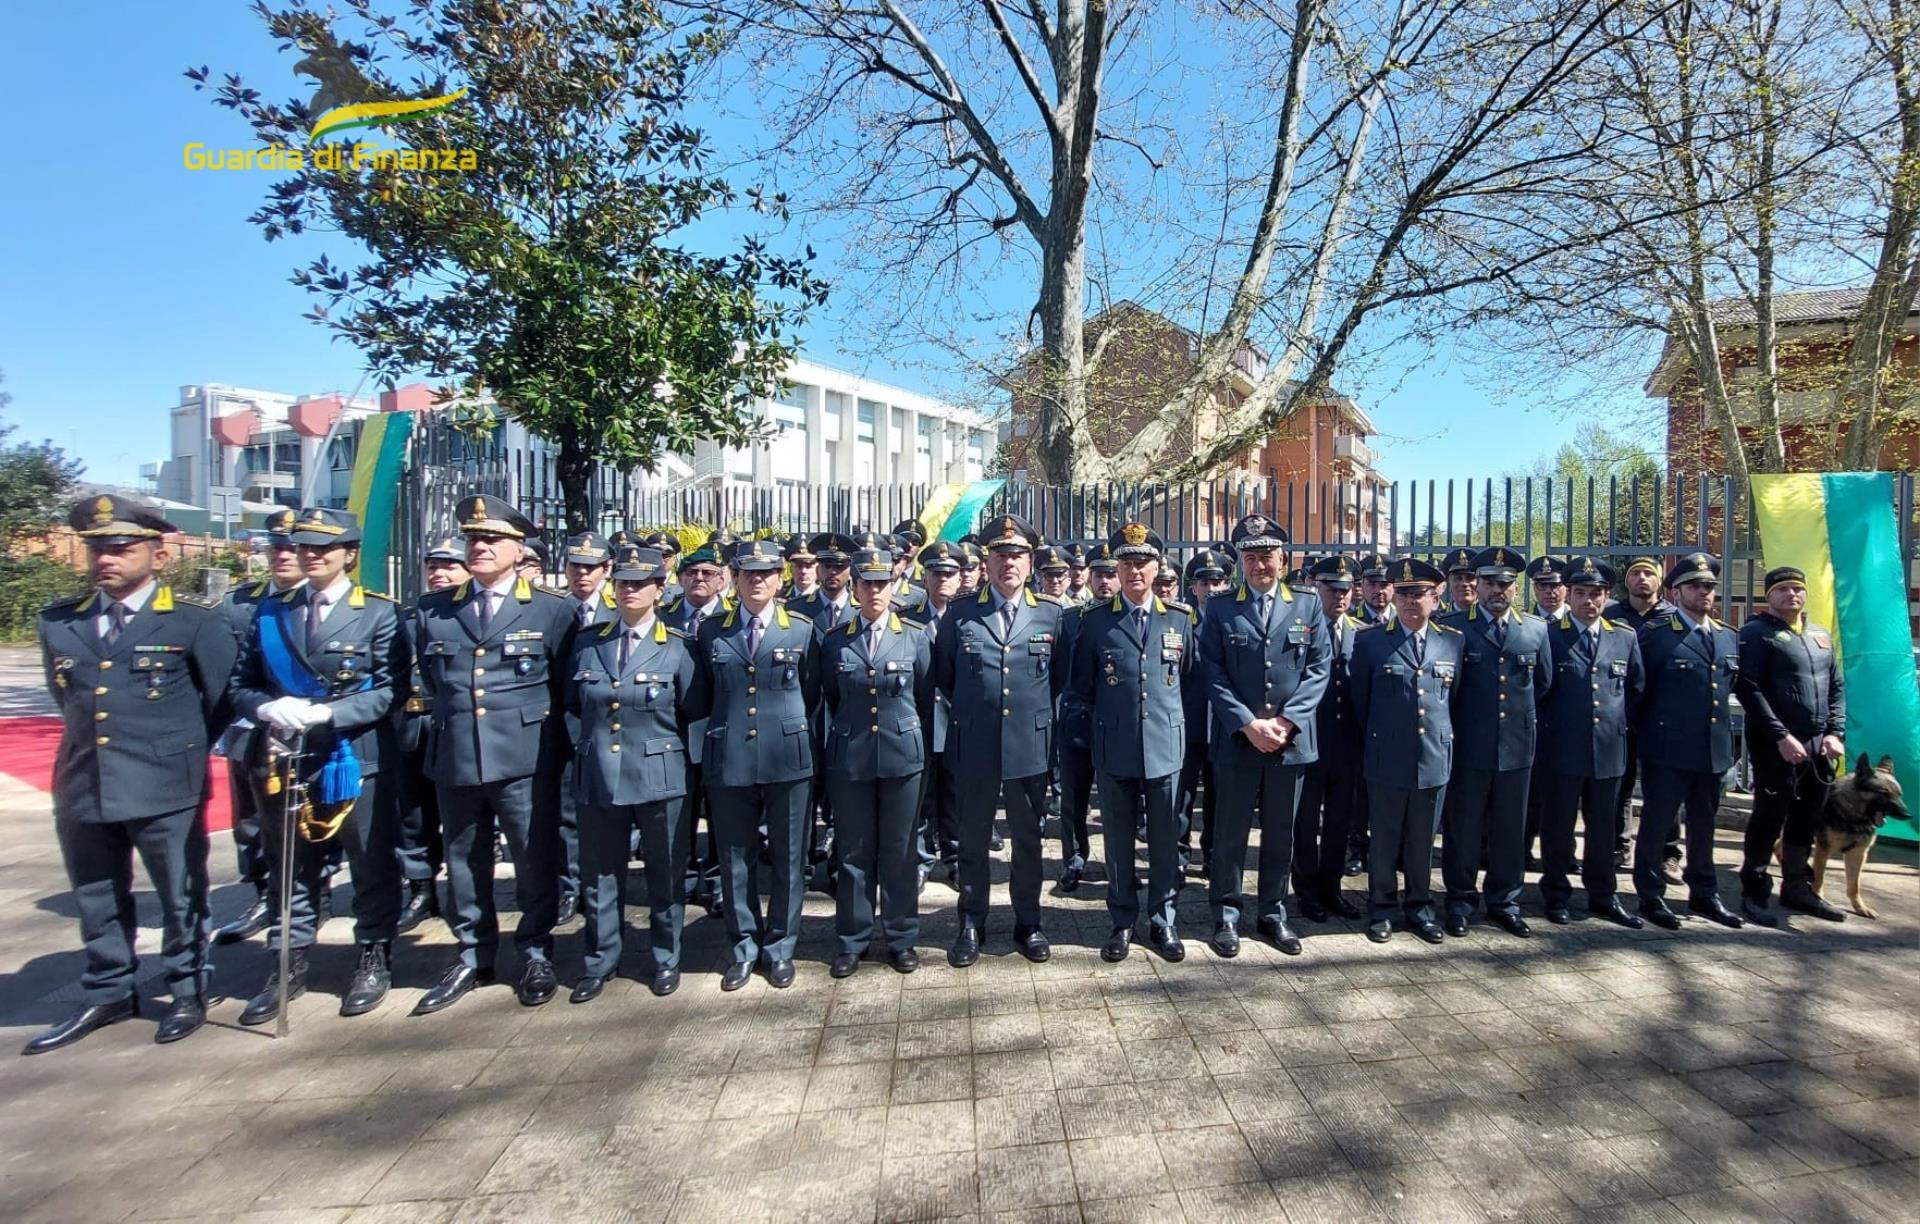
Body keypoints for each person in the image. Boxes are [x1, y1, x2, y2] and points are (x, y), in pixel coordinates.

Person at [27, 496, 236, 1053]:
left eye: (122, 548)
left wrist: (175, 751)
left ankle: (188, 989)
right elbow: (70, 699)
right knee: (96, 894)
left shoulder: (192, 621)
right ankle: (110, 988)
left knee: (180, 895)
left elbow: (218, 701)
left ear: (158, 553)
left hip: (165, 783)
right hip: (84, 780)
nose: (107, 559)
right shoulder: (59, 622)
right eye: (98, 549)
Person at [229, 507, 404, 1024]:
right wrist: (264, 708)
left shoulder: (377, 612)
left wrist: (329, 711)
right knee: (290, 868)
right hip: (285, 758)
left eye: (323, 548)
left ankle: (373, 954)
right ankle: (289, 959)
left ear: (348, 554)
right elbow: (241, 684)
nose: (310, 555)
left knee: (369, 864)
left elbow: (392, 690)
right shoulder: (270, 612)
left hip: (351, 759)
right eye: (303, 546)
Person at [407, 495, 574, 1014]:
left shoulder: (551, 610)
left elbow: (566, 688)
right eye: (473, 539)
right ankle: (472, 953)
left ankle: (534, 948)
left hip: (525, 759)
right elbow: (431, 683)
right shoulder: (435, 610)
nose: (479, 547)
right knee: (462, 860)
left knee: (533, 859)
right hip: (456, 756)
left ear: (517, 548)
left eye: (492, 539)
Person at [931, 513, 1068, 967]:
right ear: (986, 563)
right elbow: (946, 677)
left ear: (1031, 563)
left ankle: (1028, 923)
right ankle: (971, 921)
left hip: (1029, 746)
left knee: (1028, 842)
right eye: (1000, 555)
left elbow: (1057, 680)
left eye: (1018, 555)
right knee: (971, 842)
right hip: (974, 745)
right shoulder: (962, 613)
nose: (1009, 563)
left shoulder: (1052, 614)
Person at [564, 543, 698, 1000]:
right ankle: (600, 960)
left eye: (640, 583)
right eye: (622, 583)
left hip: (660, 774)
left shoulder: (678, 647)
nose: (629, 590)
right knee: (599, 873)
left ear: (660, 589)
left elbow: (693, 708)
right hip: (600, 771)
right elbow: (570, 703)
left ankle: (666, 957)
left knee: (664, 872)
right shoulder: (588, 642)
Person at [685, 538, 820, 990]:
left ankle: (780, 946)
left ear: (780, 580)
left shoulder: (801, 629)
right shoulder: (711, 632)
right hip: (730, 760)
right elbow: (701, 694)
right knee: (735, 858)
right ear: (734, 579)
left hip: (788, 758)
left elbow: (815, 692)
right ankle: (743, 946)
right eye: (748, 574)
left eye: (766, 574)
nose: (757, 581)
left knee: (788, 857)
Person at [1197, 516, 1331, 957]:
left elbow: (1318, 668)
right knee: (1230, 833)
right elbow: (1212, 672)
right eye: (1250, 558)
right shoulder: (1219, 608)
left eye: (1267, 556)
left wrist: (1287, 722)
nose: (1260, 566)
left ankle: (1274, 912)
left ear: (1282, 559)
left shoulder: (1308, 606)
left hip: (1290, 743)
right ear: (1240, 562)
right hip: (1238, 742)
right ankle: (1227, 914)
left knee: (1281, 834)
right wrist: (1247, 724)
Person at [1069, 524, 1197, 962]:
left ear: (1158, 567)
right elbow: (1082, 688)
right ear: (1117, 570)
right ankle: (1122, 920)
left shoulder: (1180, 619)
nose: (1134, 571)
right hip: (1115, 746)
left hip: (1165, 747)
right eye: (1126, 563)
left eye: (1142, 562)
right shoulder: (1094, 622)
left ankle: (1163, 921)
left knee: (1164, 841)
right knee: (1119, 843)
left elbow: (1190, 683)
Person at [819, 545, 934, 977]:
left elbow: (923, 697)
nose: (874, 591)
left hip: (903, 757)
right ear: (854, 586)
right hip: (851, 756)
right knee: (853, 852)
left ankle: (901, 937)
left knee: (900, 851)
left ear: (893, 586)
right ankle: (853, 939)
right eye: (865, 583)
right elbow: (831, 695)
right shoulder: (835, 640)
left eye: (881, 583)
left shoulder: (916, 636)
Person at [1435, 547, 1553, 939]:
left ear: (1515, 588)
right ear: (1477, 585)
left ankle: (1505, 902)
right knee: (1463, 830)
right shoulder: (1453, 628)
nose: (1496, 590)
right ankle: (1459, 901)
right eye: (1488, 582)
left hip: (1517, 749)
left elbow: (1543, 684)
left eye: (1504, 583)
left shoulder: (1536, 630)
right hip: (1469, 747)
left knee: (1509, 832)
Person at [1349, 558, 1464, 944]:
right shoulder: (1368, 641)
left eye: (1420, 594)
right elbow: (1360, 702)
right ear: (1394, 597)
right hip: (1387, 757)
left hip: (1434, 756)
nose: (1411, 601)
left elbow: (1455, 700)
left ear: (1436, 597)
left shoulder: (1453, 641)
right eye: (1404, 594)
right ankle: (1381, 908)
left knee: (1422, 839)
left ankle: (1420, 907)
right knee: (1384, 837)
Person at [1630, 552, 1745, 931]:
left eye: (1709, 586)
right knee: (1658, 823)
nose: (1704, 593)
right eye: (1695, 586)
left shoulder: (1727, 636)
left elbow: (1731, 688)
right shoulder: (1656, 635)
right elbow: (1638, 692)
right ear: (1677, 593)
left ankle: (1705, 893)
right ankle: (1650, 893)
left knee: (1705, 824)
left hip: (1712, 750)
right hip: (1668, 749)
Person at [1734, 566, 1847, 925]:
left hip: (1818, 746)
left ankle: (1798, 886)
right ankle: (1754, 888)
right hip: (1776, 744)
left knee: (1807, 816)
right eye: (1782, 590)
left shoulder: (1819, 635)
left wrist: (1834, 732)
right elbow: (1748, 688)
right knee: (1770, 816)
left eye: (1797, 589)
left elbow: (1836, 688)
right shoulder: (1757, 634)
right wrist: (1781, 736)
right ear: (1768, 597)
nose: (1791, 595)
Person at [1536, 556, 1646, 927]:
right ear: (1568, 594)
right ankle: (1555, 894)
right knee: (1558, 828)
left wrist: (1614, 729)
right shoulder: (1548, 635)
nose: (1588, 601)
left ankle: (1603, 895)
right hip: (1561, 750)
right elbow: (1539, 691)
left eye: (1596, 594)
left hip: (1608, 751)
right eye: (1580, 593)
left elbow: (1635, 689)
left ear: (1607, 596)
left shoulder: (1624, 637)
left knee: (1603, 829)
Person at [213, 507, 304, 946]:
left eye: (293, 547)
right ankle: (264, 895)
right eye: (277, 548)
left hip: (308, 735)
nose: (284, 556)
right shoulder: (237, 605)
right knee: (250, 822)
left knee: (306, 826)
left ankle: (306, 899)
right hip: (251, 732)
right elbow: (223, 676)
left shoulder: (332, 605)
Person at [394, 535, 466, 933]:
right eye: (433, 566)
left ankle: (461, 895)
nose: (438, 574)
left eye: (449, 566)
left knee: (460, 824)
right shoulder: (411, 617)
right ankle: (421, 887)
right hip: (414, 727)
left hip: (455, 728)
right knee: (413, 815)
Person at [1296, 555, 1366, 923]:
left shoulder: (1363, 632)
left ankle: (1331, 888)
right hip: (1308, 742)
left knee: (1340, 821)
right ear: (1315, 588)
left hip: (1347, 746)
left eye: (1346, 590)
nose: (1340, 597)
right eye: (1331, 589)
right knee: (1305, 823)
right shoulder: (1300, 630)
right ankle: (1306, 892)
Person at [555, 531, 618, 921]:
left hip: (604, 725)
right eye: (575, 565)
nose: (582, 573)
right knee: (564, 812)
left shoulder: (618, 612)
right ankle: (567, 885)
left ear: (606, 570)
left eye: (591, 566)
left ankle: (602, 881)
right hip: (559, 725)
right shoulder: (550, 612)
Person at [1051, 542, 1119, 894]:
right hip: (1077, 718)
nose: (1106, 581)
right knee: (1074, 798)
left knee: (1116, 800)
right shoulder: (1069, 618)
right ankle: (1073, 860)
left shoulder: (1129, 617)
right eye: (1099, 574)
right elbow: (1058, 671)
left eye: (1111, 574)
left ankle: (1119, 865)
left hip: (1117, 723)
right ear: (1088, 577)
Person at [900, 540, 966, 889]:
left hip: (958, 719)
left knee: (955, 792)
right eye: (936, 573)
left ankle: (955, 857)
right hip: (919, 718)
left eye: (949, 574)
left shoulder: (969, 617)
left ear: (960, 578)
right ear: (924, 578)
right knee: (920, 795)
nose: (942, 580)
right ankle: (922, 858)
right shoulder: (906, 619)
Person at [1603, 556, 1675, 869]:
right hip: (1622, 712)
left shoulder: (1673, 617)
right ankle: (1619, 844)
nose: (1641, 579)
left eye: (1648, 574)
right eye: (1635, 573)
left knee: (1666, 786)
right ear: (1626, 581)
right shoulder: (1612, 614)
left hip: (1663, 714)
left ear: (1659, 581)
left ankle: (1668, 851)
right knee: (1622, 783)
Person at [1176, 546, 1235, 876]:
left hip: (1224, 726)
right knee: (1183, 798)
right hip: (1189, 723)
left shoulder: (1235, 620)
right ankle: (1180, 856)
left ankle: (1212, 853)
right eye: (1204, 583)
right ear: (1194, 587)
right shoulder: (1181, 620)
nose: (1211, 589)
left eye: (1218, 582)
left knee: (1219, 797)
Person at [787, 532, 855, 631]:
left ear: (850, 571)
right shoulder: (795, 608)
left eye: (839, 566)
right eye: (827, 566)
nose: (832, 572)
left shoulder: (862, 609)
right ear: (817, 569)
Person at [1352, 553, 1395, 627]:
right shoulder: (1349, 622)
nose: (1378, 591)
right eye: (1372, 584)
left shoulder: (1405, 620)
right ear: (1362, 586)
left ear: (1393, 587)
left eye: (1384, 584)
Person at [1439, 547, 1477, 616]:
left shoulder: (1490, 617)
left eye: (1470, 578)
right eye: (1458, 578)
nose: (1464, 583)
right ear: (1449, 582)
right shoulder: (1437, 620)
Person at [783, 534, 820, 602]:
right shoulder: (781, 596)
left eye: (808, 566)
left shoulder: (826, 598)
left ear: (818, 569)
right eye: (798, 566)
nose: (803, 571)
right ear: (791, 569)